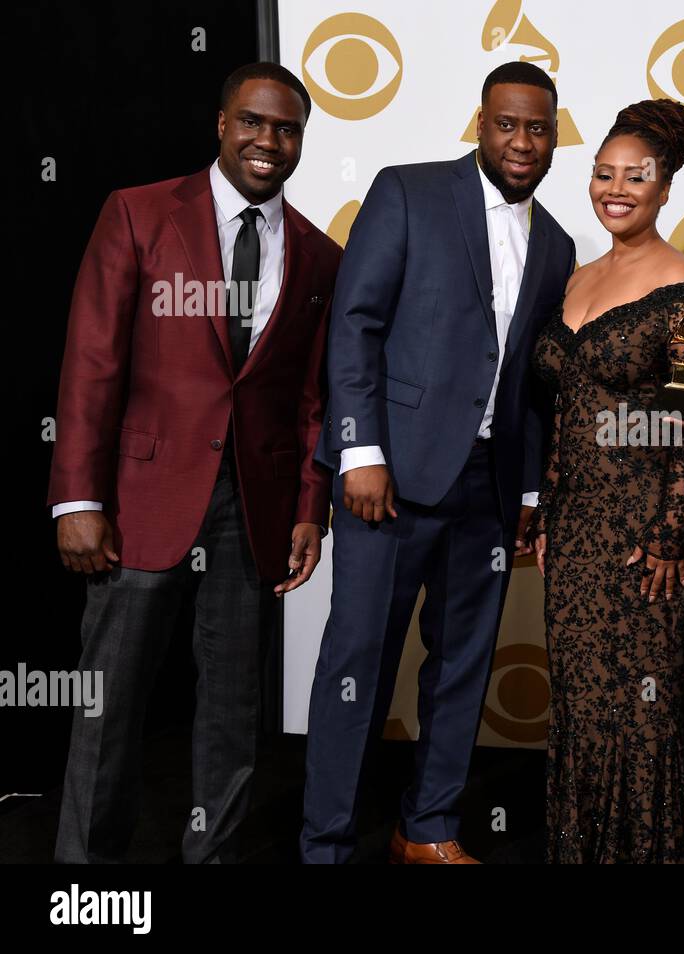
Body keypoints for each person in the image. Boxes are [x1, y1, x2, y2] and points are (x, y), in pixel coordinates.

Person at [48, 62, 338, 863]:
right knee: (109, 702)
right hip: (139, 501)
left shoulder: (318, 253)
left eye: (286, 130)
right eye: (253, 122)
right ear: (221, 124)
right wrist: (77, 500)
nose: (268, 142)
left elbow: (314, 398)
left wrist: (311, 506)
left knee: (233, 708)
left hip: (253, 510)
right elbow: (91, 361)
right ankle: (87, 877)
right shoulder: (139, 213)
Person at [300, 61, 575, 864]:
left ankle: (427, 828)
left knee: (461, 667)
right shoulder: (408, 191)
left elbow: (530, 381)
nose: (523, 141)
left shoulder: (555, 242)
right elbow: (353, 325)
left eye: (539, 128)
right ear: (480, 124)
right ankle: (325, 843)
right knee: (359, 663)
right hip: (388, 479)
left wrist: (527, 489)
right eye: (508, 124)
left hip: (487, 491)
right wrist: (360, 450)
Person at [530, 98, 684, 863]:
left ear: (665, 186)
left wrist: (671, 538)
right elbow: (565, 412)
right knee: (583, 707)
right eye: (603, 173)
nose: (615, 189)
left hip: (648, 535)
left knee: (643, 712)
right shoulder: (578, 278)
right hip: (577, 531)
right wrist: (550, 515)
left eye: (635, 177)